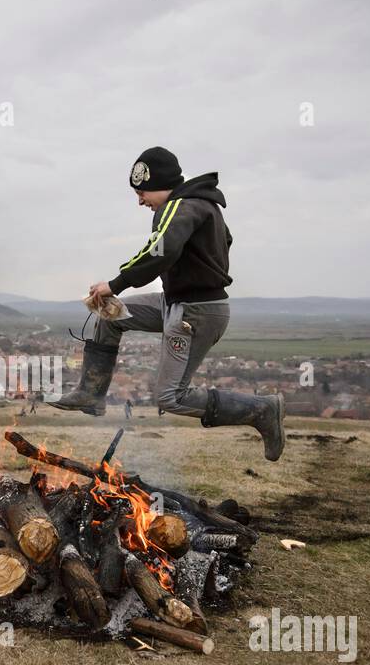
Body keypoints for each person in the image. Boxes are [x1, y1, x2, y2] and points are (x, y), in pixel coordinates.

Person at [48, 146, 285, 461]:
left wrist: (114, 284)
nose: (140, 200)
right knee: (110, 315)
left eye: (142, 192)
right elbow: (221, 241)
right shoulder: (200, 206)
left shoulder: (180, 206)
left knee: (170, 397)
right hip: (176, 302)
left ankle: (262, 410)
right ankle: (91, 394)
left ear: (160, 184)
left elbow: (161, 251)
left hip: (195, 313)